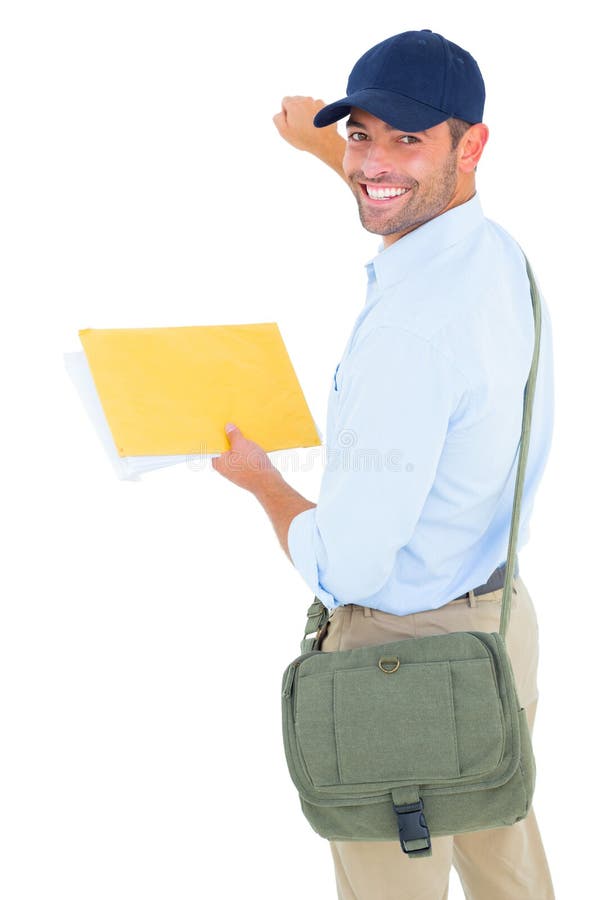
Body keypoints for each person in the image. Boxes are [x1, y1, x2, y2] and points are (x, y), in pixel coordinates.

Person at [212, 29, 555, 899]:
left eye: (408, 138)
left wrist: (266, 485)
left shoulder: (408, 338)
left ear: (470, 146)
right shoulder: (495, 254)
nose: (374, 163)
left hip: (400, 663)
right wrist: (327, 148)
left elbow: (349, 566)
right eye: (362, 133)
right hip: (497, 629)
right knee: (506, 863)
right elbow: (404, 190)